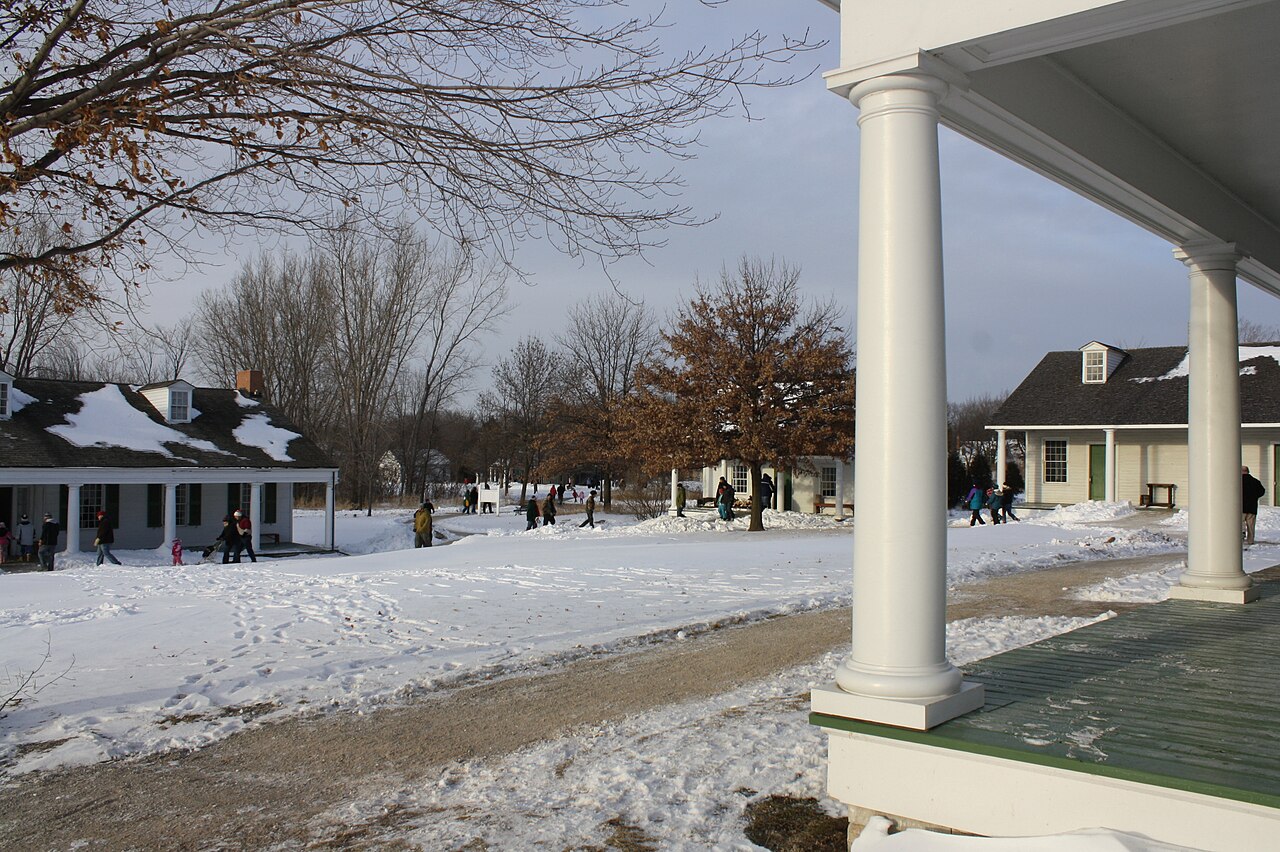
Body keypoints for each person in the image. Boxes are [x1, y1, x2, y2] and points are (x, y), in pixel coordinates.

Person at [1242, 465, 1266, 546]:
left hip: (1241, 507)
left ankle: (1241, 538)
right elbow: (1262, 491)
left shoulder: (1237, 481)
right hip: (1252, 507)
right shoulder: (1255, 481)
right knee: (1251, 525)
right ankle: (1250, 540)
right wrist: (1254, 497)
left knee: (1240, 523)